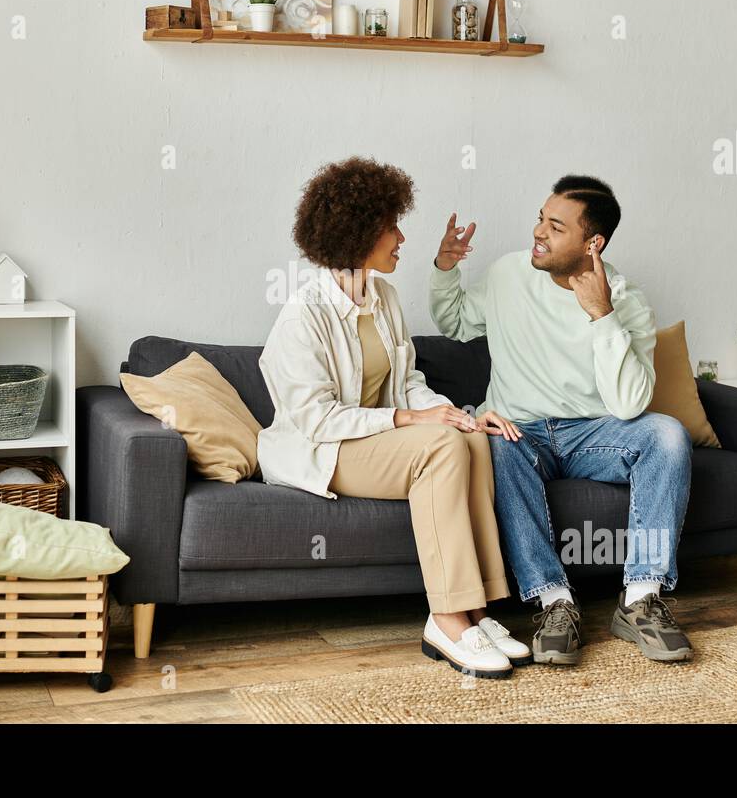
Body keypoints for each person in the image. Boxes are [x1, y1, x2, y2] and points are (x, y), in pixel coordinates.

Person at [257, 156, 530, 679]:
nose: (401, 237)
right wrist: (409, 421)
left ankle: (476, 610)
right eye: (390, 227)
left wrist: (454, 414)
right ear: (359, 233)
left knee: (468, 441)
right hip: (321, 450)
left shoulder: (383, 296)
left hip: (371, 439)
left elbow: (406, 380)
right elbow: (318, 419)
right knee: (441, 447)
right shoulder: (302, 315)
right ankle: (446, 619)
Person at [429, 174, 694, 665]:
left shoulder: (625, 298)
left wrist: (602, 316)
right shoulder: (509, 274)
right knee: (495, 444)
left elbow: (632, 404)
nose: (538, 232)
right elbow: (457, 323)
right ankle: (555, 603)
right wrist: (446, 267)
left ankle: (640, 600)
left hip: (595, 433)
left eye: (555, 226)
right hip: (521, 431)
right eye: (540, 219)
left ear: (593, 242)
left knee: (668, 434)